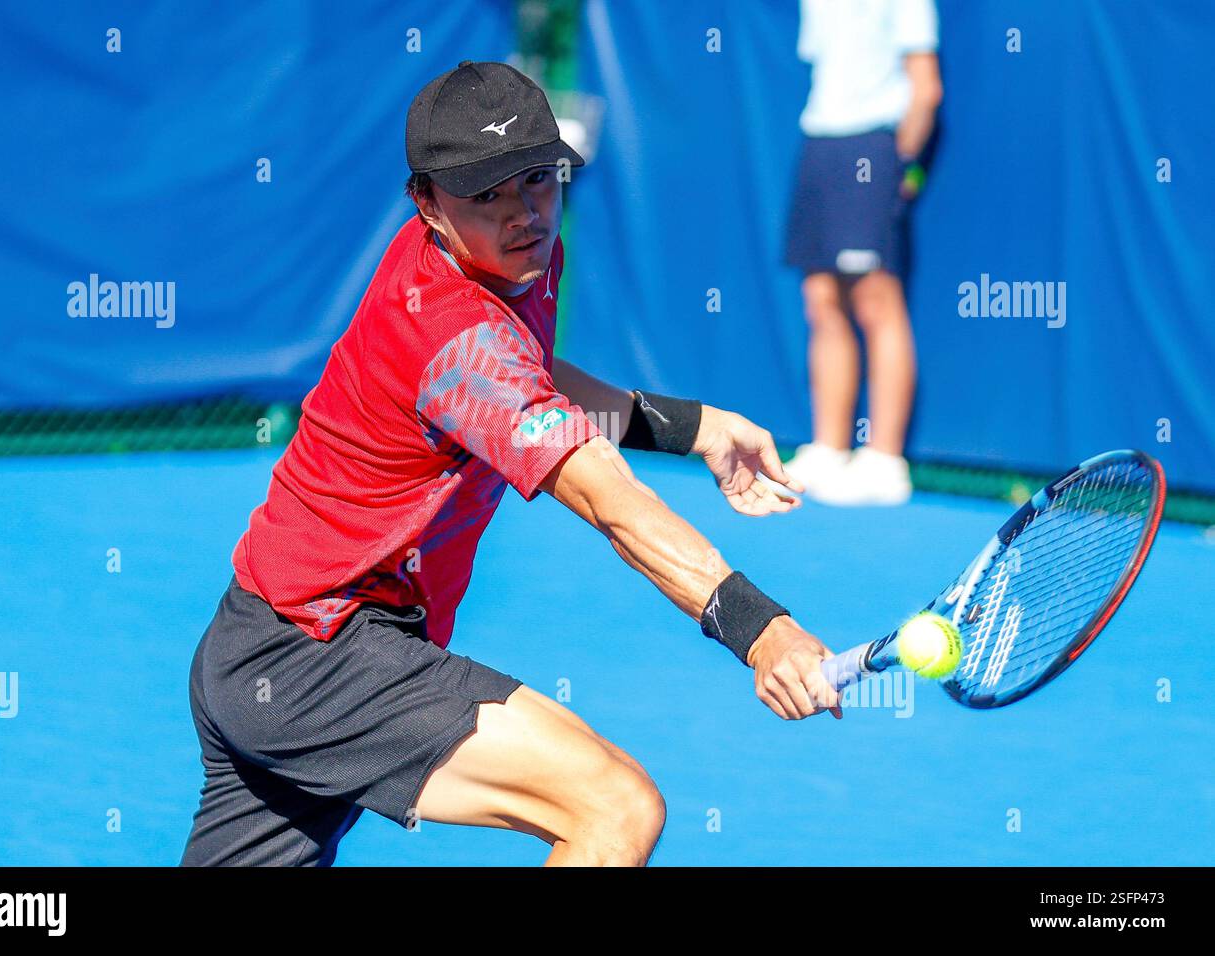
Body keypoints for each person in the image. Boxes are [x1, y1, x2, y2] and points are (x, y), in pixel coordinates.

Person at [182, 61, 840, 868]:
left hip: (260, 642)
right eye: (484, 195)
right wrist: (760, 630)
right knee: (614, 807)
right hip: (318, 655)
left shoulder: (504, 263)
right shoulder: (454, 336)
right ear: (426, 203)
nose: (522, 212)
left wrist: (689, 427)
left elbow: (528, 375)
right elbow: (609, 502)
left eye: (536, 178)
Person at [783, 0, 942, 505]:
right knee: (821, 299)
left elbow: (926, 88)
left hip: (871, 146)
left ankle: (884, 460)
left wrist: (902, 166)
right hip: (820, 143)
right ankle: (829, 449)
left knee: (876, 301)